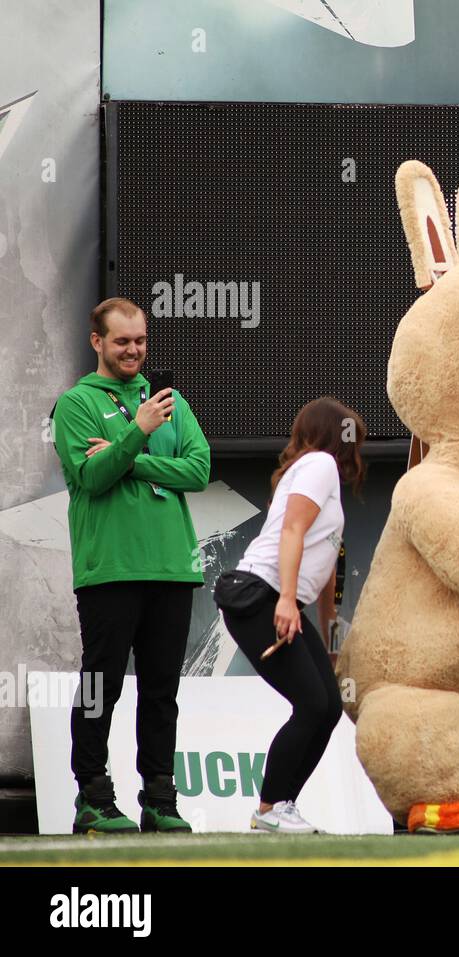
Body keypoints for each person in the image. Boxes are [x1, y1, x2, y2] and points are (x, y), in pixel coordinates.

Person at [51, 297, 211, 834]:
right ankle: (92, 796)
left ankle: (160, 799)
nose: (133, 351)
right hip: (110, 570)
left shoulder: (167, 400)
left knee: (162, 690)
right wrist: (139, 430)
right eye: (122, 341)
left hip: (171, 567)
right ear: (96, 342)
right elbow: (91, 477)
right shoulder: (75, 403)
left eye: (140, 341)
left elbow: (198, 469)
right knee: (101, 684)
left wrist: (131, 457)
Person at [217, 396, 365, 833]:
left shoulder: (323, 479)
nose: (358, 446)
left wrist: (330, 639)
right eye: (352, 435)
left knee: (328, 707)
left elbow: (326, 571)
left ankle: (281, 807)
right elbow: (292, 530)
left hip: (279, 598)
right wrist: (284, 600)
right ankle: (268, 809)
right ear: (332, 436)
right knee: (311, 704)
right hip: (259, 595)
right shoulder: (319, 464)